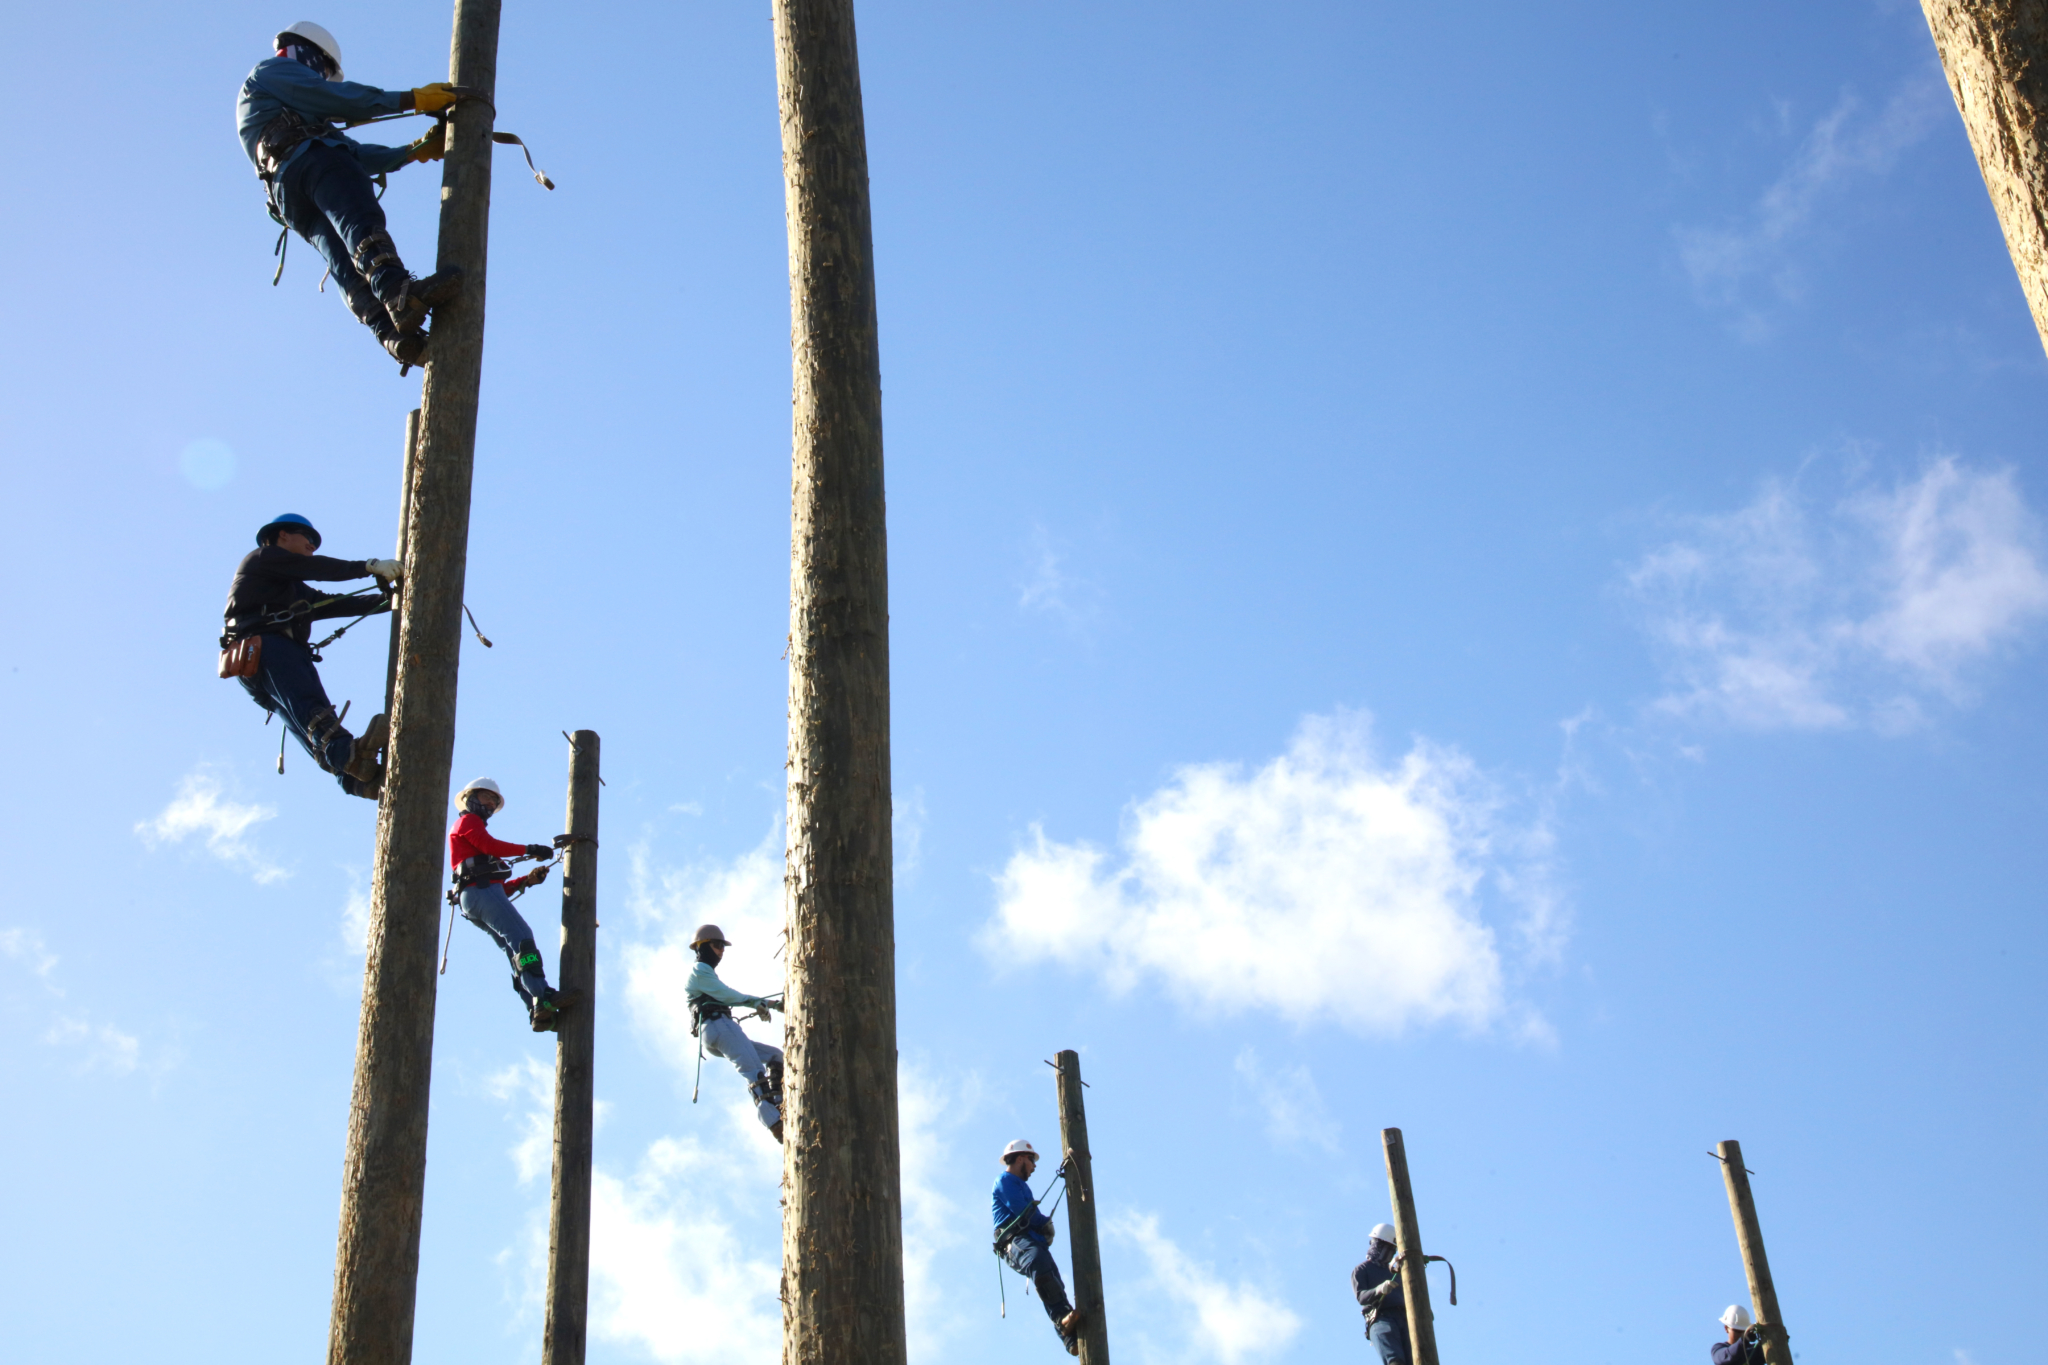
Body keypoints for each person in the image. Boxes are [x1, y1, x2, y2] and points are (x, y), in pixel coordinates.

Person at [235, 21, 465, 367]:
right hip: (308, 164)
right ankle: (397, 292)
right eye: (325, 69)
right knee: (356, 213)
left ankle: (394, 335)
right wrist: (410, 99)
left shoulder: (293, 112)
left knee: (342, 256)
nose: (323, 77)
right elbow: (339, 100)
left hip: (290, 193)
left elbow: (355, 153)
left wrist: (412, 151)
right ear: (311, 53)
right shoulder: (274, 70)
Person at [222, 513, 399, 799]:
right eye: (308, 538)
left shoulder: (291, 588)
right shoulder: (262, 558)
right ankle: (349, 756)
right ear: (282, 535)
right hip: (266, 648)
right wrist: (369, 567)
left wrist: (390, 600)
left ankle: (354, 781)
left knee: (305, 723)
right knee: (310, 707)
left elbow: (335, 603)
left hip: (256, 663)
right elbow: (314, 567)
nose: (312, 546)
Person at [449, 778, 581, 1032]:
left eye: (494, 800)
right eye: (487, 797)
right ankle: (543, 996)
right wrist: (529, 848)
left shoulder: (471, 844)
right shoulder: (468, 821)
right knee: (522, 937)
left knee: (514, 953)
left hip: (475, 897)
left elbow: (495, 887)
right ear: (471, 797)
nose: (490, 803)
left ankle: (536, 1010)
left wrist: (526, 881)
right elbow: (491, 846)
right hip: (479, 893)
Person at [686, 925, 785, 1141]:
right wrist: (758, 1003)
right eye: (716, 945)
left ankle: (780, 1102)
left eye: (723, 947)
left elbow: (729, 996)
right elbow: (728, 995)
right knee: (754, 1070)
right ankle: (775, 1122)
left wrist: (774, 1004)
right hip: (717, 1026)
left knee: (776, 1057)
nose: (721, 951)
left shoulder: (707, 973)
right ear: (701, 947)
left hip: (717, 1031)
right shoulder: (699, 972)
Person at [993, 1139, 1084, 1357]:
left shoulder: (1022, 1186)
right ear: (1021, 1158)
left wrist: (1042, 1230)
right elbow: (1022, 1211)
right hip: (1014, 1242)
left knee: (1052, 1276)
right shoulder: (1004, 1181)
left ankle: (1069, 1338)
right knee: (1037, 1263)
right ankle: (1063, 1322)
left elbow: (1028, 1213)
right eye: (1032, 1161)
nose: (1034, 1167)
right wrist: (1043, 1223)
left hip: (1030, 1241)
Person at [1352, 1223, 1409, 1365]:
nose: (1386, 1252)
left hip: (1405, 1319)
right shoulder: (1362, 1270)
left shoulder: (1398, 1273)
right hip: (1381, 1318)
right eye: (1382, 1246)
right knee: (1395, 1361)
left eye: (1390, 1249)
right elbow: (1361, 1297)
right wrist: (1379, 1290)